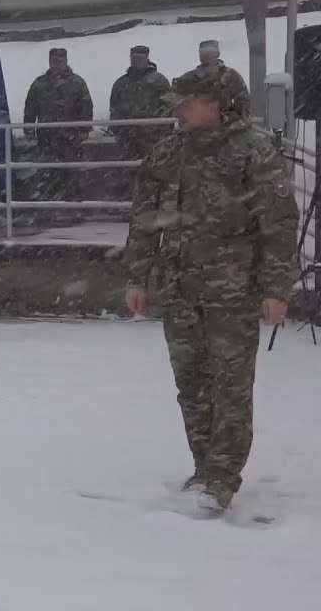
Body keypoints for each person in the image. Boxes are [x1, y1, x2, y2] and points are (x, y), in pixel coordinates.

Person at [123, 71, 299, 514]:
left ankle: (222, 478)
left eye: (186, 102)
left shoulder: (254, 153)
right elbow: (144, 221)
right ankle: (203, 467)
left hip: (232, 292)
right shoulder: (167, 154)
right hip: (179, 289)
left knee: (231, 387)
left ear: (217, 104)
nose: (175, 109)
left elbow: (278, 226)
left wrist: (277, 288)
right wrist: (137, 277)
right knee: (192, 386)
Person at [22, 48, 94, 200]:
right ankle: (49, 209)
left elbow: (86, 108)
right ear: (49, 62)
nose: (56, 65)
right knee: (47, 175)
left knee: (71, 174)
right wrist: (28, 129)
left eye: (60, 62)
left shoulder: (77, 83)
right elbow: (30, 108)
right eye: (54, 62)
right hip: (46, 139)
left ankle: (72, 208)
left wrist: (83, 131)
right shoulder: (39, 84)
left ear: (66, 61)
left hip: (70, 139)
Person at [110, 45, 173, 161]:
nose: (137, 61)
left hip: (153, 136)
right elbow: (114, 107)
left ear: (147, 59)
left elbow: (168, 106)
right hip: (127, 137)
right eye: (134, 58)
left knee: (154, 168)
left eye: (140, 58)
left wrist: (164, 130)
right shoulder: (121, 83)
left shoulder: (159, 81)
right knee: (128, 169)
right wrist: (117, 129)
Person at [186, 40, 251, 123]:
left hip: (225, 129)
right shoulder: (190, 77)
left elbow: (243, 101)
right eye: (203, 52)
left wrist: (229, 118)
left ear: (217, 54)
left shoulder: (231, 76)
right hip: (196, 127)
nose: (207, 55)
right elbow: (176, 102)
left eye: (210, 52)